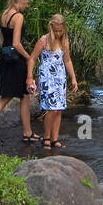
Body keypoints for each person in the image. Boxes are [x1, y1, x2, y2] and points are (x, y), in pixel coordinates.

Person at [0, 0, 39, 145]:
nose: (27, 6)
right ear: (19, 1)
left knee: (21, 95)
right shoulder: (18, 17)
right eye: (26, 3)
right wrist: (29, 57)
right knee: (12, 95)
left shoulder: (5, 14)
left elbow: (3, 40)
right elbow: (16, 43)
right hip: (16, 59)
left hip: (5, 57)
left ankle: (27, 132)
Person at [29, 14, 78, 151]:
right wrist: (29, 76)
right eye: (55, 30)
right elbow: (32, 58)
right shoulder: (44, 40)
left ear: (64, 29)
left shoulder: (64, 42)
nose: (57, 33)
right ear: (51, 27)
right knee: (51, 109)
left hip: (60, 78)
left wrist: (73, 78)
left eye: (60, 31)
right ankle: (46, 137)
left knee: (59, 109)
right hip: (47, 77)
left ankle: (54, 138)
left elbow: (67, 60)